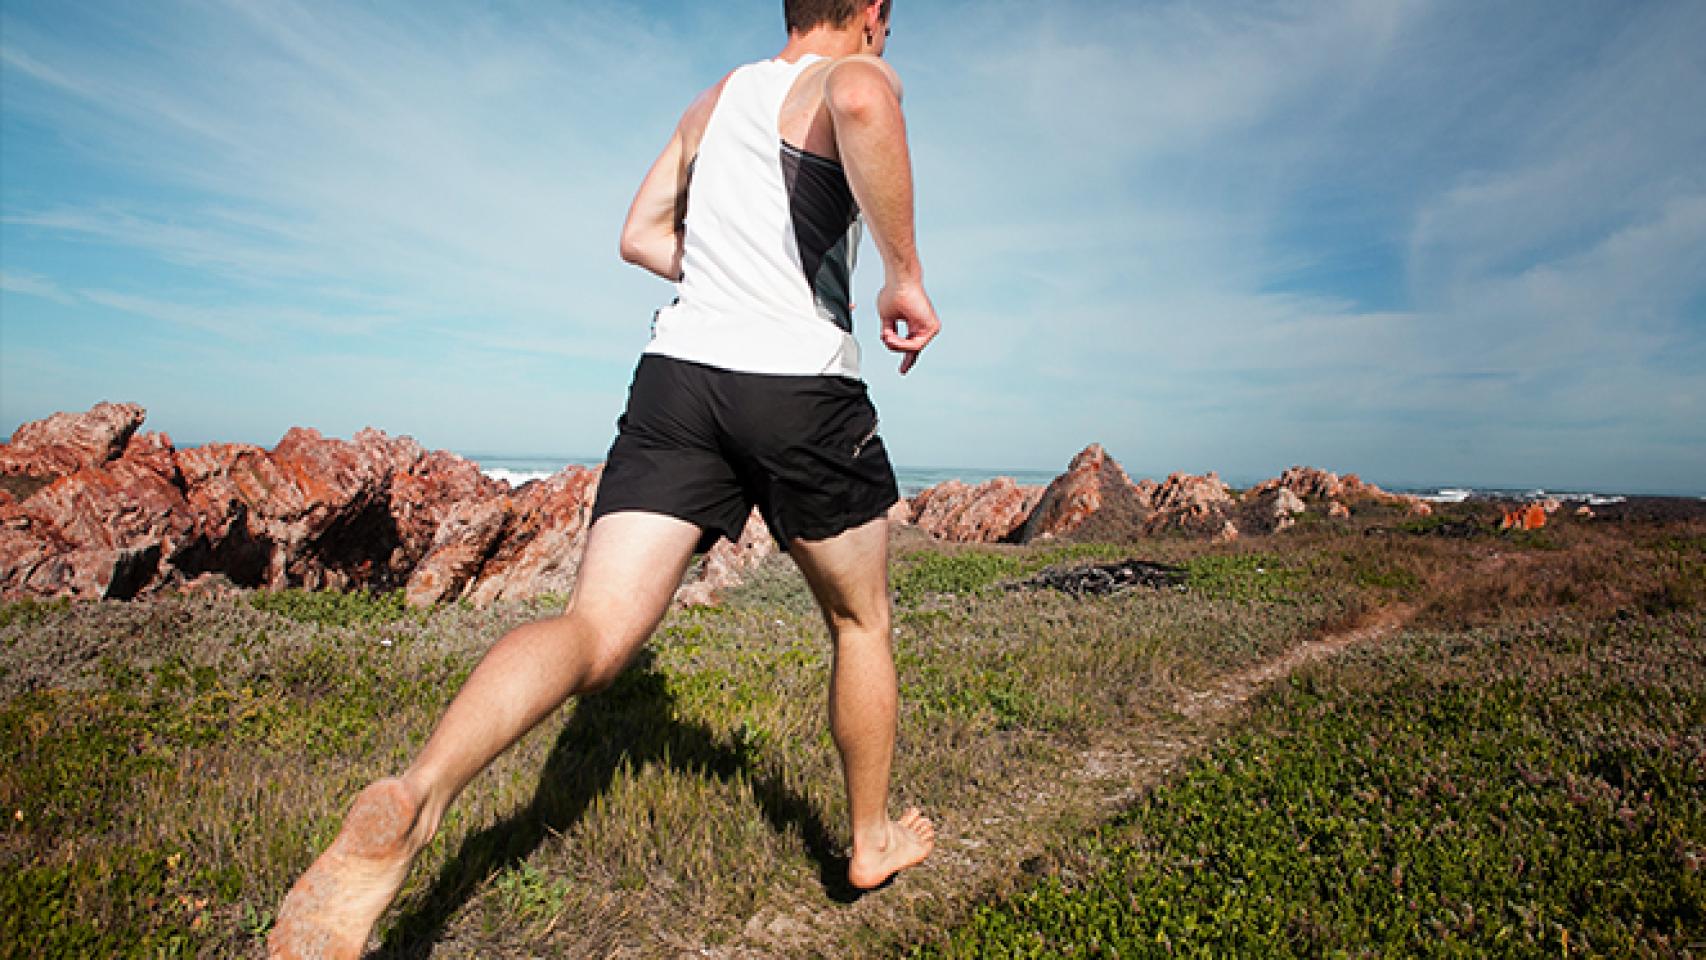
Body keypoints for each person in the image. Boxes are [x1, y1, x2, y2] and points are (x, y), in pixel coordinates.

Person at [267, 1, 940, 955]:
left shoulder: (711, 103)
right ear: (871, 10)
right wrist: (903, 275)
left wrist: (719, 274)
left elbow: (637, 235)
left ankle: (415, 798)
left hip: (679, 380)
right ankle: (868, 843)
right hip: (797, 385)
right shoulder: (850, 73)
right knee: (858, 618)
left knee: (591, 631)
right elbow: (867, 101)